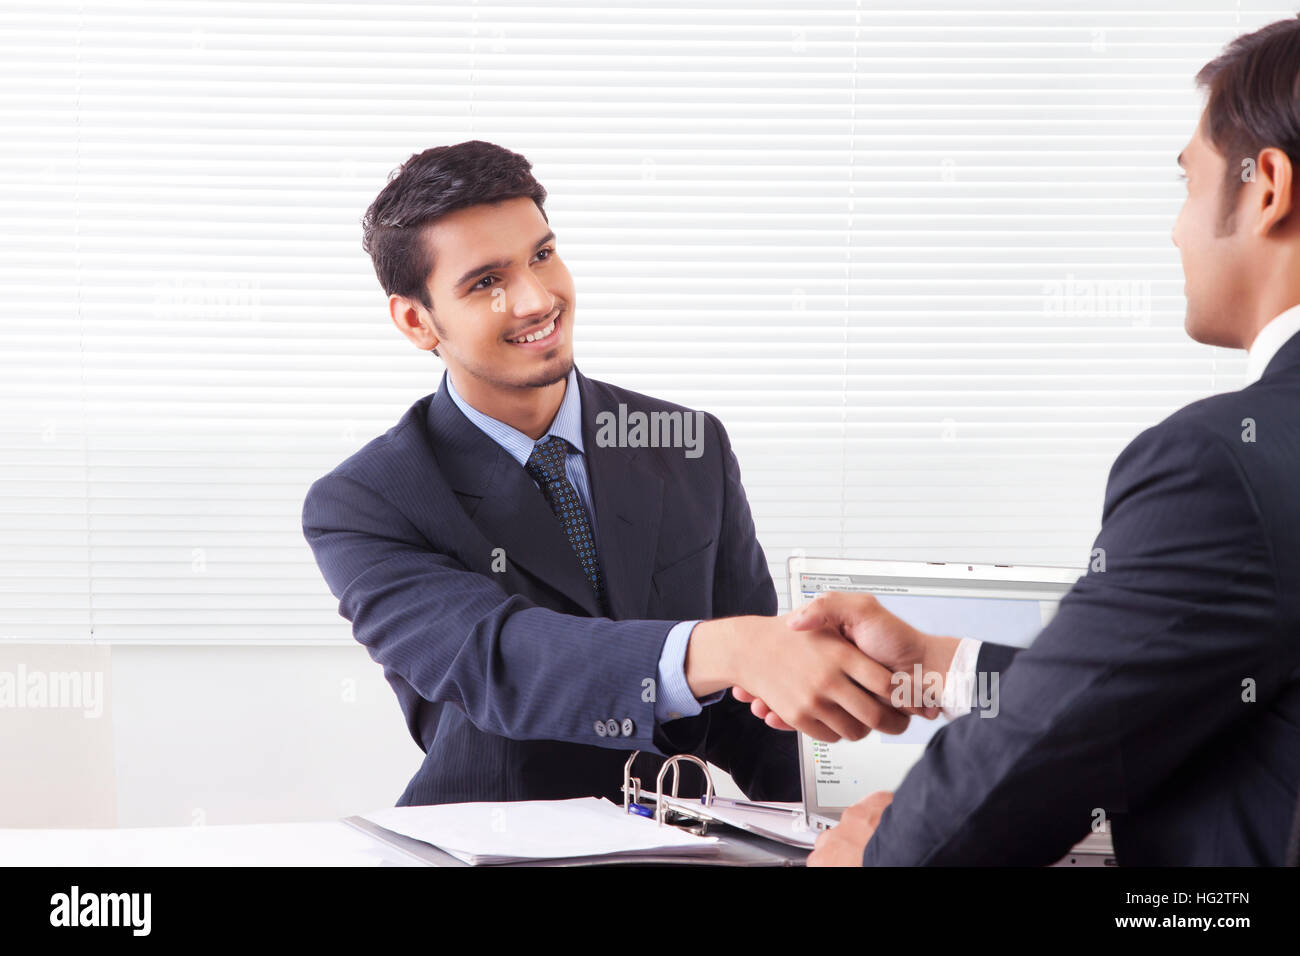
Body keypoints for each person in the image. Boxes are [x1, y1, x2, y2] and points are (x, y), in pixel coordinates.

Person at [738, 17, 1300, 866]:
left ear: (1267, 189)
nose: (1176, 232)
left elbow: (1020, 783)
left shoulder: (1221, 464)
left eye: (1187, 184)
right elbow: (1154, 698)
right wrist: (940, 665)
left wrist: (873, 855)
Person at [301, 141, 903, 807]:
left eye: (541, 255)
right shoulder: (366, 501)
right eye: (485, 283)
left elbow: (750, 706)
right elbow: (506, 662)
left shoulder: (688, 445)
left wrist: (877, 818)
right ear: (417, 321)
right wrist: (729, 646)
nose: (535, 300)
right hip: (487, 843)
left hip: (678, 841)